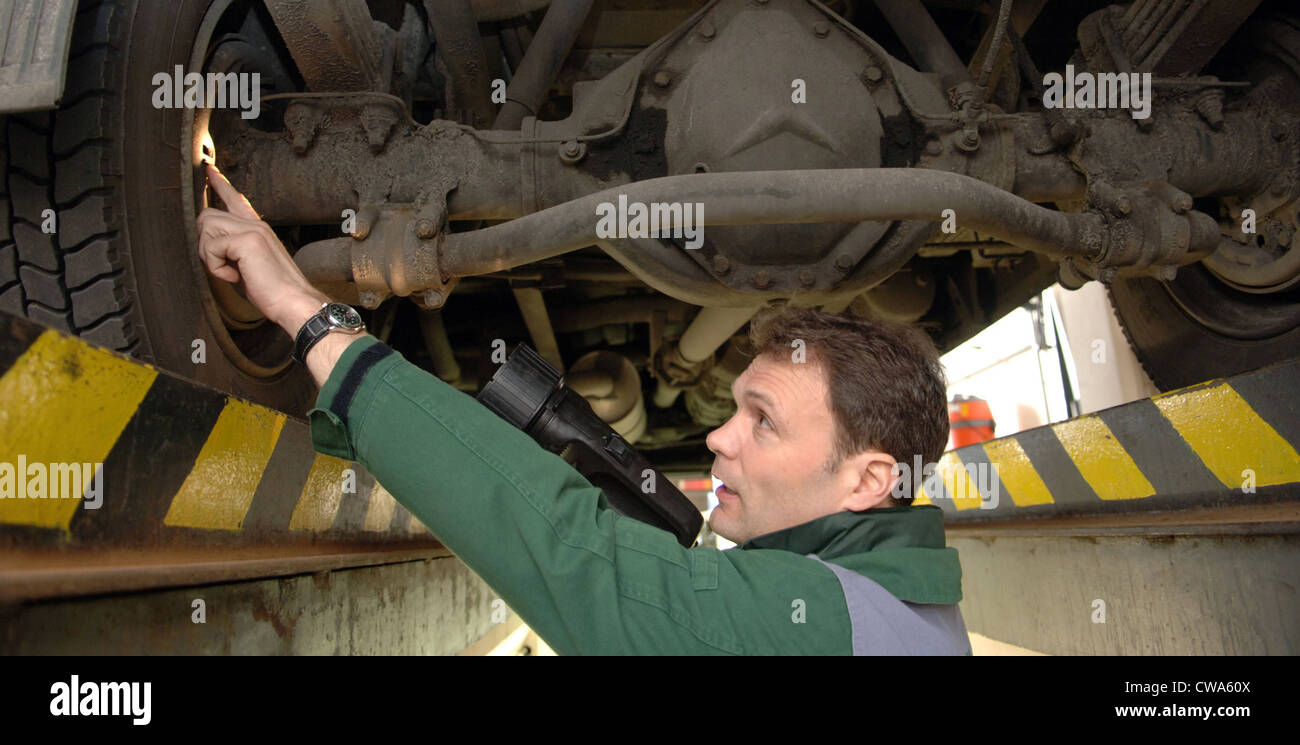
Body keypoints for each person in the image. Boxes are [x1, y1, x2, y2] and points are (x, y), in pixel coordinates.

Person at [196, 163, 970, 655]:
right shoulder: (904, 612)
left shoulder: (837, 625)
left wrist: (310, 315)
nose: (717, 436)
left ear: (869, 480)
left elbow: (576, 555)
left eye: (762, 420)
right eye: (736, 407)